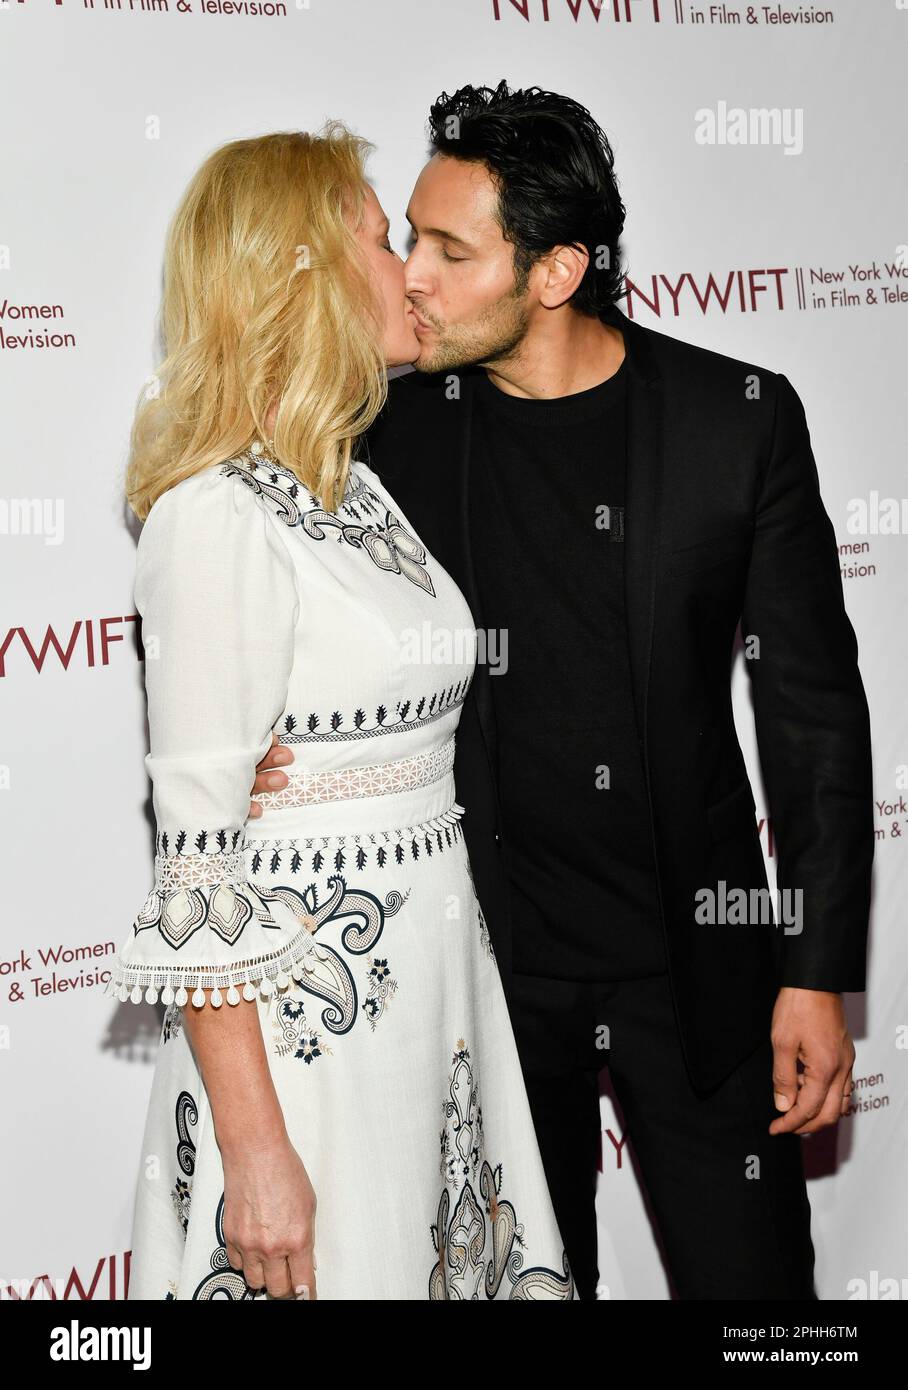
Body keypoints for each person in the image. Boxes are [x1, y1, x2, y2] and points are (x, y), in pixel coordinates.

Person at [253, 84, 875, 1301]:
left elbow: (810, 712)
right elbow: (290, 622)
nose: (409, 277)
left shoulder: (731, 422)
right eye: (407, 240)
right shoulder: (386, 427)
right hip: (481, 978)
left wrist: (812, 969)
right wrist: (270, 750)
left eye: (448, 249)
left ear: (554, 272)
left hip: (697, 969)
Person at [106, 125, 576, 1302]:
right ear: (305, 272)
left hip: (432, 1011)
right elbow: (198, 884)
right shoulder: (213, 518)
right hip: (304, 1048)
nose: (412, 270)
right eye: (381, 240)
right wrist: (259, 1160)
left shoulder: (352, 481)